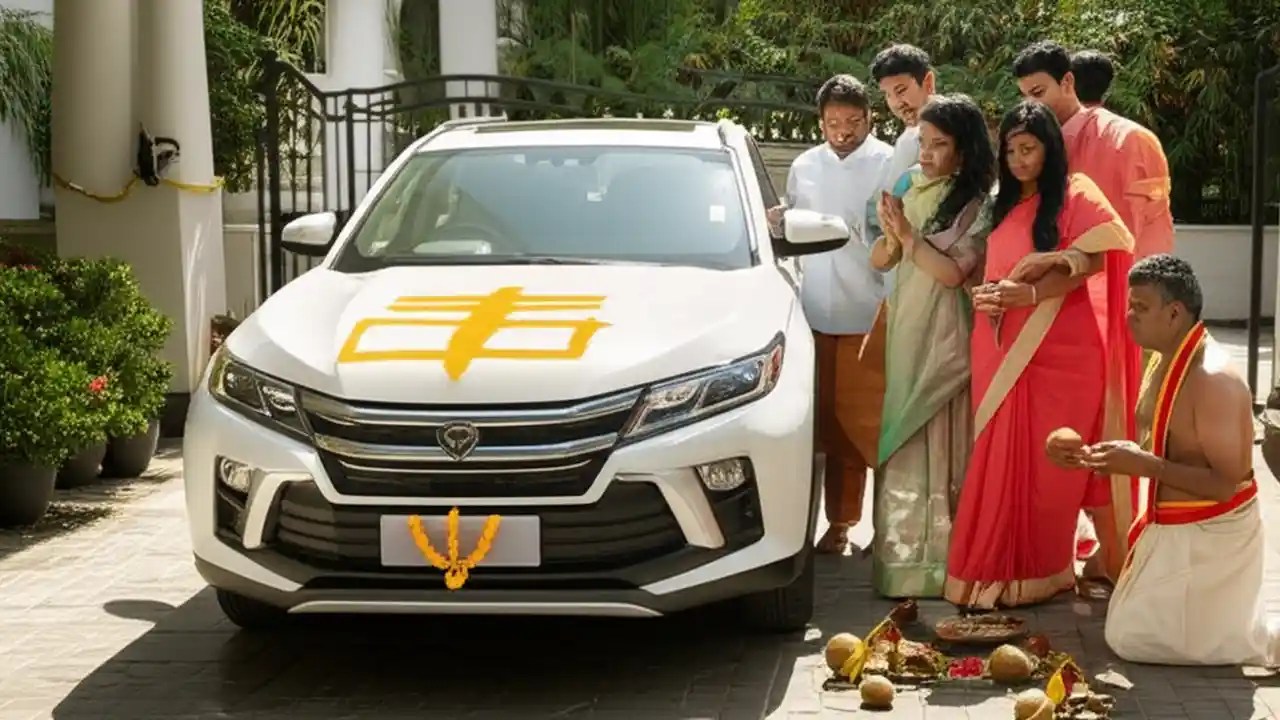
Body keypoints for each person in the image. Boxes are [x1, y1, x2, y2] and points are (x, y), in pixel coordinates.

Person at [943, 101, 1136, 609]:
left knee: (1050, 466)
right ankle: (997, 569)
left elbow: (1107, 249)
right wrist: (985, 296)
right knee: (998, 452)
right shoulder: (1001, 204)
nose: (1019, 159)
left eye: (1029, 149)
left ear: (1051, 149)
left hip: (1062, 349)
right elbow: (994, 268)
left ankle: (1042, 571)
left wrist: (1041, 279)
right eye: (1011, 150)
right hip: (999, 341)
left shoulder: (1077, 194)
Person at [1048, 254, 1279, 667]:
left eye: (1141, 307)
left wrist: (1145, 466)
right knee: (1126, 633)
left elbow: (1227, 484)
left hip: (1212, 534)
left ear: (1174, 313)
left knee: (1133, 639)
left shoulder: (1213, 379)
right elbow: (1157, 448)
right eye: (1130, 305)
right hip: (1171, 527)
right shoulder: (1165, 357)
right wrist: (1088, 456)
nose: (1129, 316)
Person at [1014, 40, 1172, 582]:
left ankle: (1123, 553)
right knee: (1059, 435)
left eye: (1039, 91)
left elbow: (1150, 239)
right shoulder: (1036, 142)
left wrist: (1146, 319)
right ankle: (1072, 546)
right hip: (1050, 309)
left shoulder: (1130, 140)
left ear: (1069, 83)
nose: (1034, 102)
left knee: (1114, 426)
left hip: (1113, 313)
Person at [867, 94, 996, 598]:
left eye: (939, 145)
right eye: (922, 143)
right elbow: (882, 260)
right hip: (907, 330)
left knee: (942, 436)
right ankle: (900, 562)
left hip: (947, 334)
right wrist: (892, 234)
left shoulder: (976, 204)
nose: (925, 154)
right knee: (901, 434)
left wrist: (908, 236)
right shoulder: (907, 187)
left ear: (963, 152)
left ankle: (944, 563)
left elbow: (951, 273)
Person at [770, 75, 895, 553]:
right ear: (820, 121)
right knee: (830, 427)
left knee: (874, 428)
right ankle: (839, 526)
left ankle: (887, 530)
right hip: (816, 312)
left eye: (853, 121)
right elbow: (791, 221)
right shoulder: (805, 165)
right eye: (833, 122)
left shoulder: (887, 162)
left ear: (869, 118)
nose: (842, 130)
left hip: (871, 311)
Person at [870, 44, 937, 186]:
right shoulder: (907, 140)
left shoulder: (959, 126)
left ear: (928, 82)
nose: (896, 103)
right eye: (888, 95)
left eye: (901, 91)